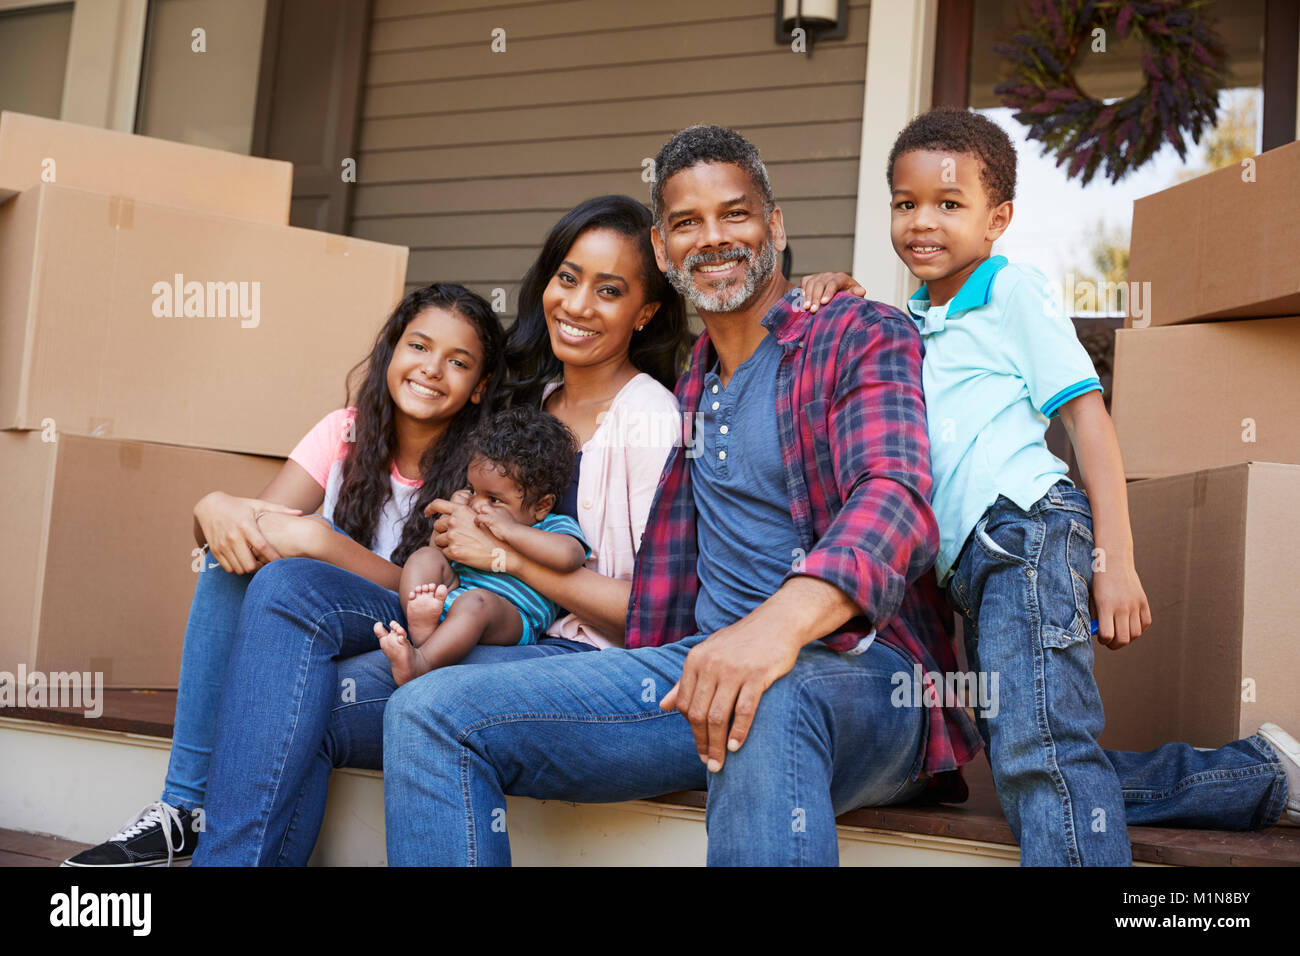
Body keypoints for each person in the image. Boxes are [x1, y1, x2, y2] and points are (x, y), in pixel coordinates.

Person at [376, 124, 983, 866]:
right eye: (687, 223)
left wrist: (771, 632)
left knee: (766, 696)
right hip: (691, 666)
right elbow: (650, 605)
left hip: (866, 673)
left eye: (736, 213)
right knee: (427, 710)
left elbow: (894, 500)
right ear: (663, 251)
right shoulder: (696, 381)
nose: (714, 238)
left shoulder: (855, 332)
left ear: (775, 226)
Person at [798, 107, 1299, 864]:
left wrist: (1116, 559)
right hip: (970, 567)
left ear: (997, 218)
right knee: (1035, 757)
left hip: (1027, 533)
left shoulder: (1012, 290)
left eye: (949, 204)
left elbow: (1088, 419)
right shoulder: (909, 320)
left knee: (1039, 754)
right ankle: (1261, 775)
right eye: (906, 204)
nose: (922, 222)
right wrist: (841, 291)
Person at [190, 195, 691, 865]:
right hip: (475, 626)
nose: (578, 304)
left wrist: (507, 560)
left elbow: (650, 618)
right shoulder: (527, 403)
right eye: (567, 278)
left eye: (610, 290)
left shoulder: (651, 420)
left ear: (645, 312)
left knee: (303, 710)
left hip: (585, 662)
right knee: (286, 588)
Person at [63, 282, 506, 867]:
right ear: (390, 353)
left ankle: (205, 816)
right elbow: (248, 532)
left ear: (478, 388)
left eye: (458, 362)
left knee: (289, 575)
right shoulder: (344, 431)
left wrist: (324, 542)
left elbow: (429, 592)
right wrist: (213, 505)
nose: (432, 369)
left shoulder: (480, 466)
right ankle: (186, 807)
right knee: (234, 560)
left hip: (421, 624)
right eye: (418, 346)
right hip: (321, 617)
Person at [375, 407, 591, 684]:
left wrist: (510, 531)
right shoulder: (473, 510)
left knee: (476, 603)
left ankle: (422, 662)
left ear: (541, 505)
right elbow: (442, 550)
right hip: (452, 594)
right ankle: (422, 626)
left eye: (494, 499)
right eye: (474, 490)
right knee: (423, 557)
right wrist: (450, 522)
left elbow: (568, 557)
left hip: (509, 615)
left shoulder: (550, 526)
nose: (477, 504)